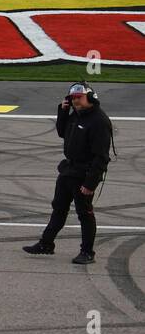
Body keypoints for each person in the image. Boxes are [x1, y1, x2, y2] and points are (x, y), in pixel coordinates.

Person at [23, 83, 113, 264]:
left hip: (84, 174)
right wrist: (62, 112)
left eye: (79, 97)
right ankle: (46, 244)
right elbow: (62, 132)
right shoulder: (75, 115)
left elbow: (102, 157)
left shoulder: (99, 121)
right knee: (58, 208)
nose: (75, 101)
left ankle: (87, 253)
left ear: (90, 98)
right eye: (72, 98)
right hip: (68, 170)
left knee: (84, 214)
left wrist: (90, 183)